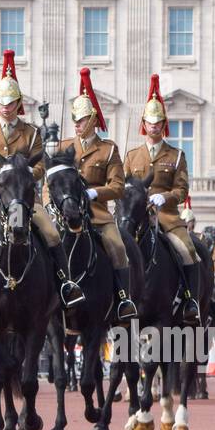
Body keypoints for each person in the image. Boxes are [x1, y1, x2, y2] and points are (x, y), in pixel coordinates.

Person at [0, 51, 81, 303]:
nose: (6, 108)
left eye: (11, 103)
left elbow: (41, 164)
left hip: (23, 199)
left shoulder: (31, 133)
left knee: (51, 233)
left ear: (18, 104)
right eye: (2, 103)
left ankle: (65, 283)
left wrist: (31, 173)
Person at [47, 67, 130, 316]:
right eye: (74, 120)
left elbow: (118, 186)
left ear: (93, 120)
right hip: (64, 212)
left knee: (118, 248)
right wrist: (50, 204)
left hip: (97, 215)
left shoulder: (108, 150)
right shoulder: (62, 147)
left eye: (81, 120)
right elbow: (47, 182)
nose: (77, 125)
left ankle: (123, 300)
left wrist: (95, 194)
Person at [123, 74, 203, 323]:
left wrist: (164, 198)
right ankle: (120, 298)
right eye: (150, 122)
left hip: (166, 217)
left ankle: (190, 299)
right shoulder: (132, 156)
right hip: (135, 216)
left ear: (163, 124)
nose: (154, 126)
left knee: (188, 250)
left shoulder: (176, 155)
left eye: (158, 122)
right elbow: (123, 187)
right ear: (143, 124)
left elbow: (182, 191)